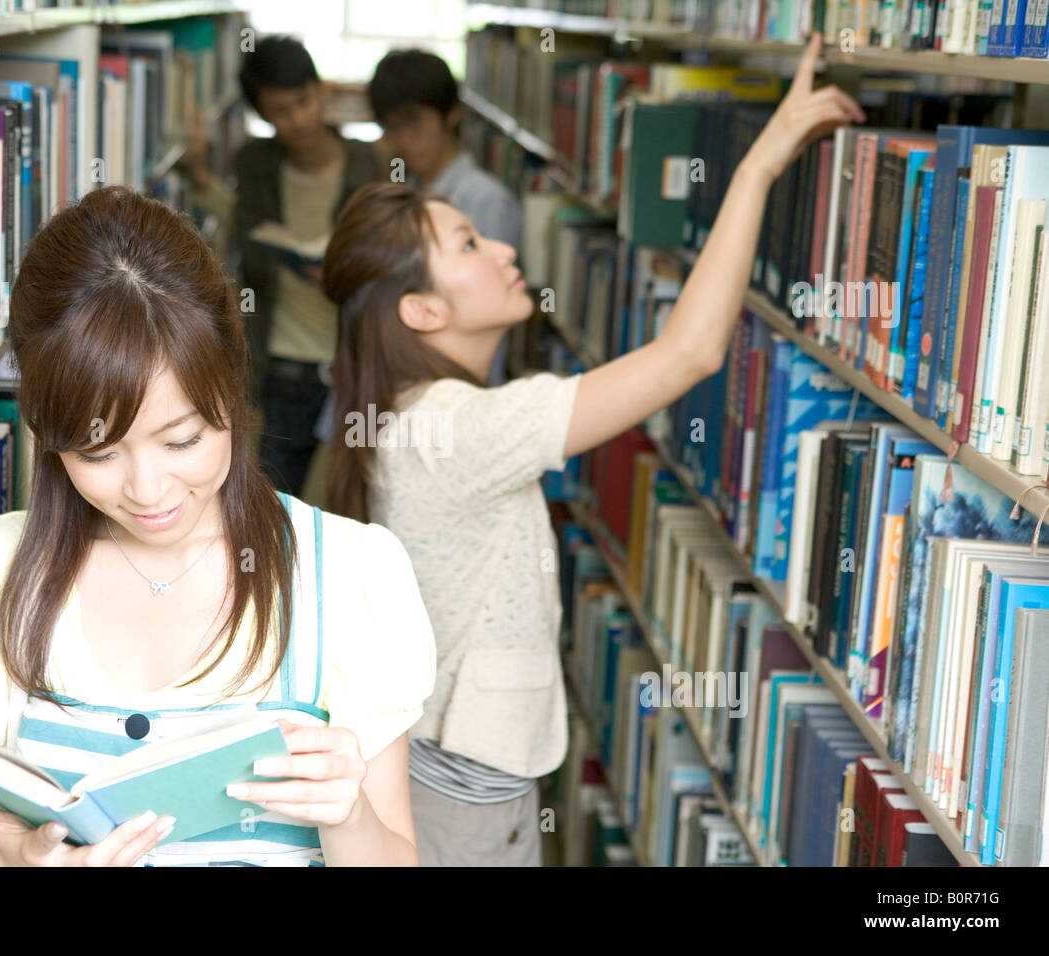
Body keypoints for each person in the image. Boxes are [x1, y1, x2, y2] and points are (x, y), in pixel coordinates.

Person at [321, 34, 863, 866]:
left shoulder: (409, 415)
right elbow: (691, 353)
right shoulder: (460, 428)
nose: (504, 250)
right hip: (468, 796)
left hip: (446, 772)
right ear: (422, 313)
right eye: (468, 245)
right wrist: (757, 167)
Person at [0, 186, 436, 867]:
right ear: (46, 434)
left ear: (232, 388)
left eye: (183, 440)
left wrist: (349, 815)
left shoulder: (350, 573)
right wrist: (10, 858)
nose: (148, 490)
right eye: (98, 453)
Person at [186, 35, 381, 497]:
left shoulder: (367, 162)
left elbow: (388, 251)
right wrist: (198, 176)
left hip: (352, 359)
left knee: (344, 500)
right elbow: (245, 229)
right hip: (283, 362)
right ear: (261, 114)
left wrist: (344, 265)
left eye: (304, 101)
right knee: (276, 496)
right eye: (279, 111)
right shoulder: (256, 162)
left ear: (321, 91)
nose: (297, 120)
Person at [368, 47, 520, 388]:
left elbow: (489, 311)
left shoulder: (486, 201)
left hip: (457, 387)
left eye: (414, 122)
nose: (403, 140)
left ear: (451, 114)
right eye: (391, 128)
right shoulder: (404, 187)